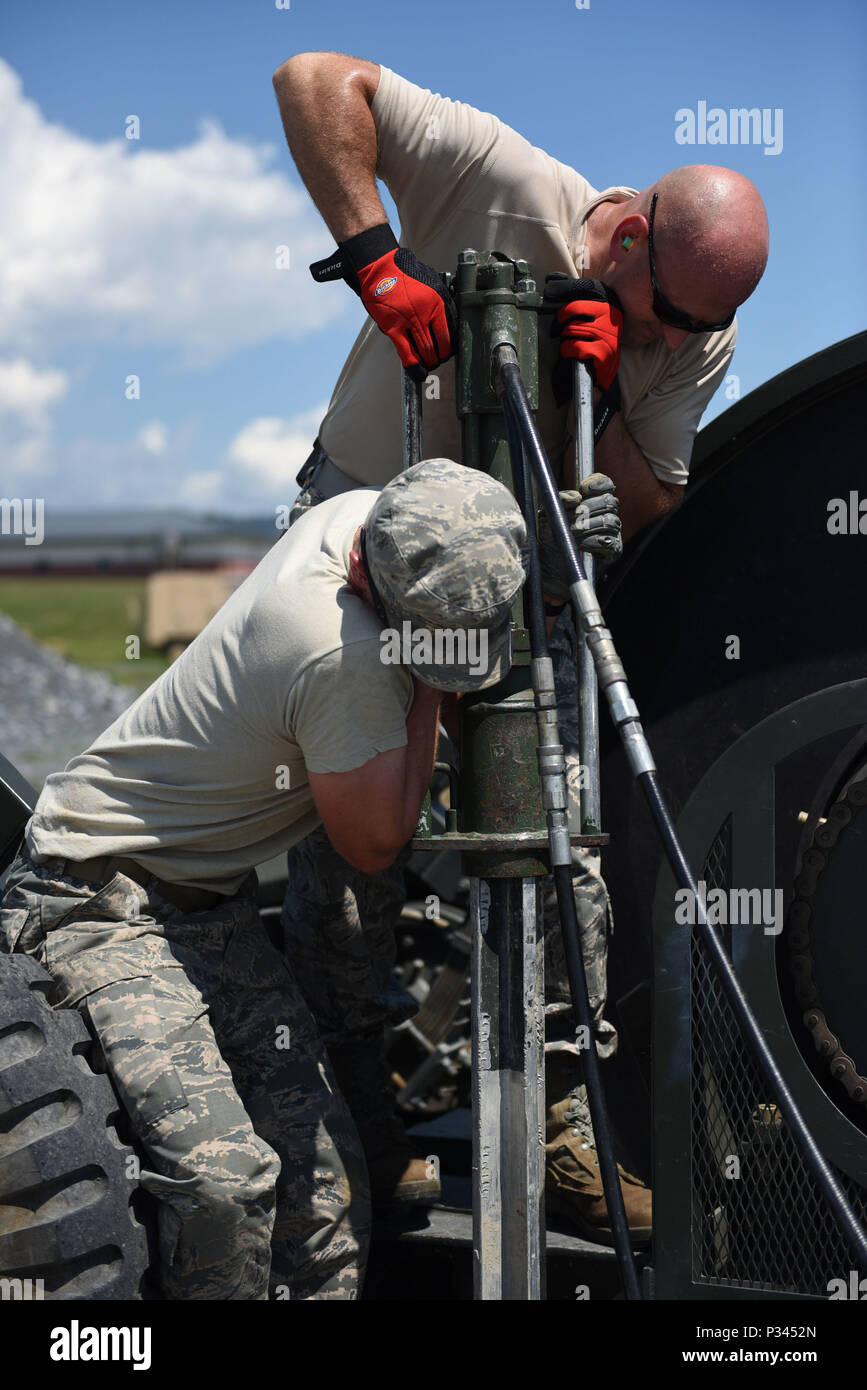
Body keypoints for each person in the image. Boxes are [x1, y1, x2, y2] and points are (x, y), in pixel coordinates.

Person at [271, 53, 769, 1241]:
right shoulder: (499, 175)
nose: (682, 337)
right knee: (352, 850)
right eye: (668, 313)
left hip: (515, 580)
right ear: (630, 234)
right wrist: (375, 259)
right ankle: (362, 1133)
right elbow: (312, 79)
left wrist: (597, 383)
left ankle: (561, 1129)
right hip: (359, 544)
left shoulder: (694, 326)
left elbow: (645, 498)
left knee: (563, 839)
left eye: (701, 327)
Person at [0, 460, 527, 1300]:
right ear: (373, 584)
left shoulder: (370, 513)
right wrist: (431, 688)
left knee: (324, 1196)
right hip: (98, 898)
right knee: (225, 1184)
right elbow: (375, 843)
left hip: (207, 909)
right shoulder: (334, 651)